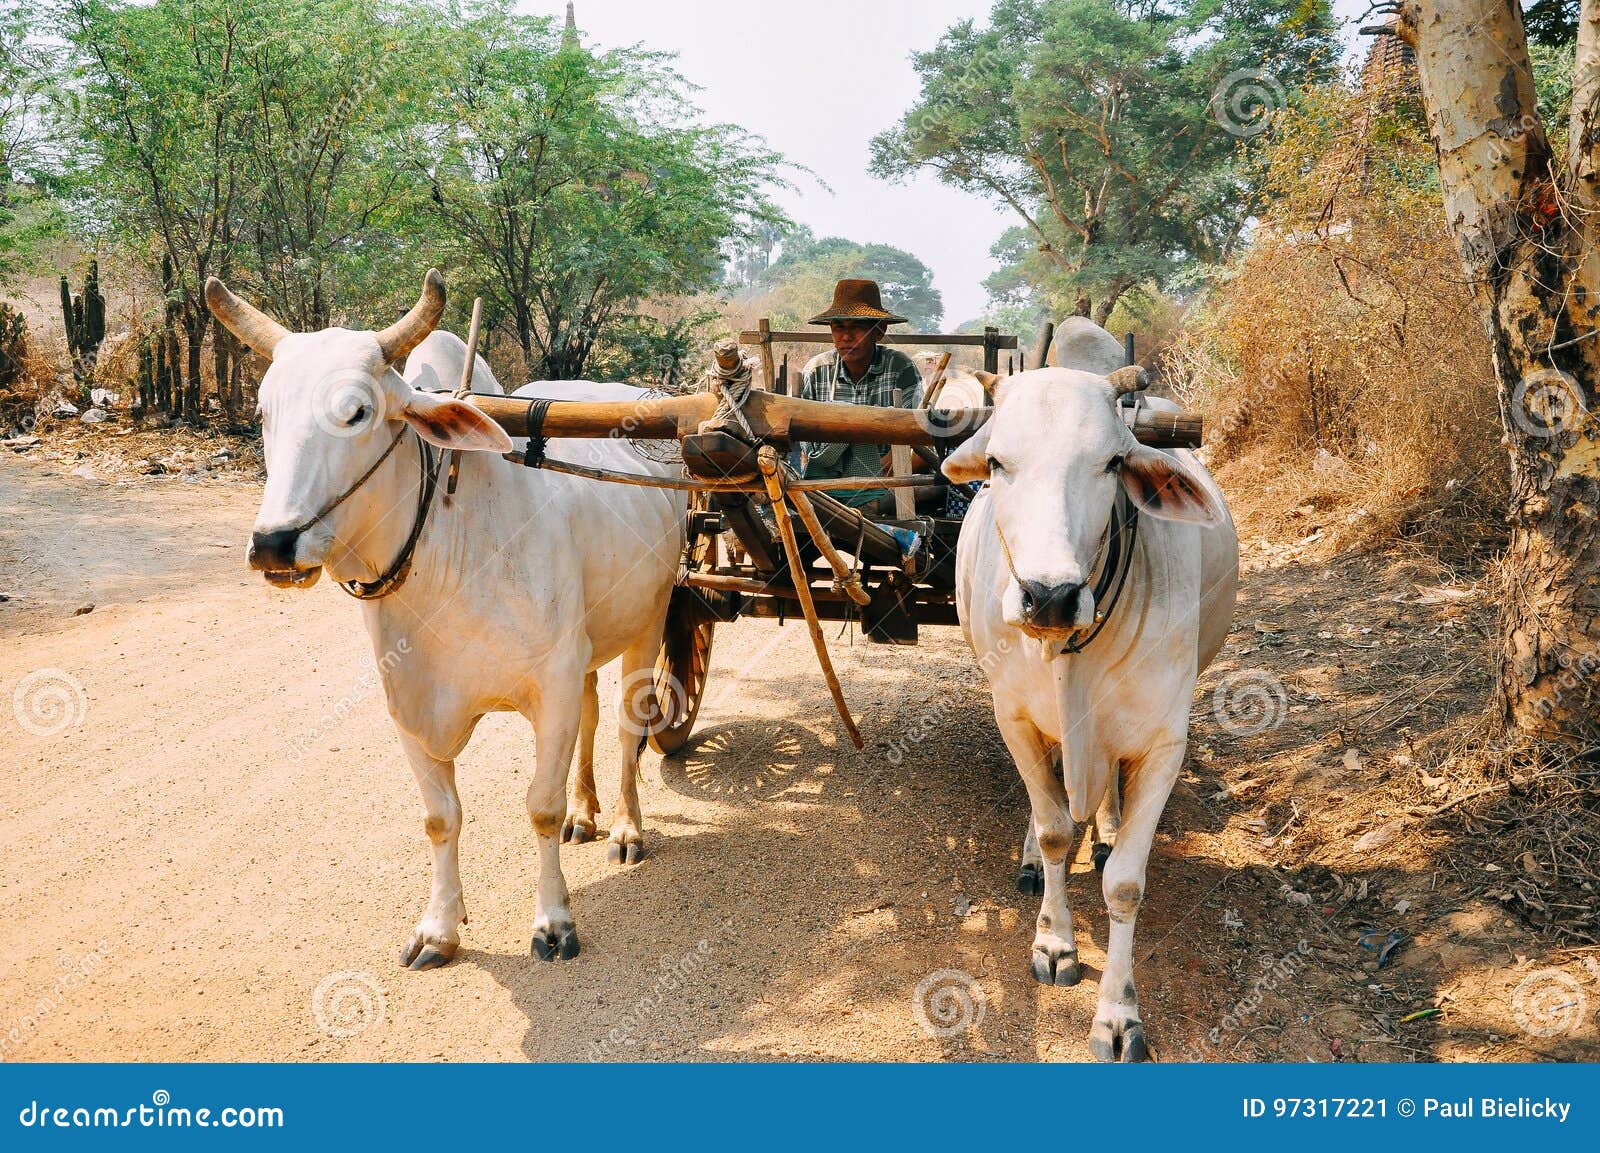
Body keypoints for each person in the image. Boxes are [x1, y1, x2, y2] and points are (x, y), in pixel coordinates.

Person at [797, 279, 923, 515]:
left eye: (856, 327)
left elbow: (918, 441)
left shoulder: (900, 368)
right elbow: (804, 447)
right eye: (838, 327)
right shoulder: (817, 371)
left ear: (879, 331)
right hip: (825, 483)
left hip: (884, 484)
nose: (846, 337)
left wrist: (876, 475)